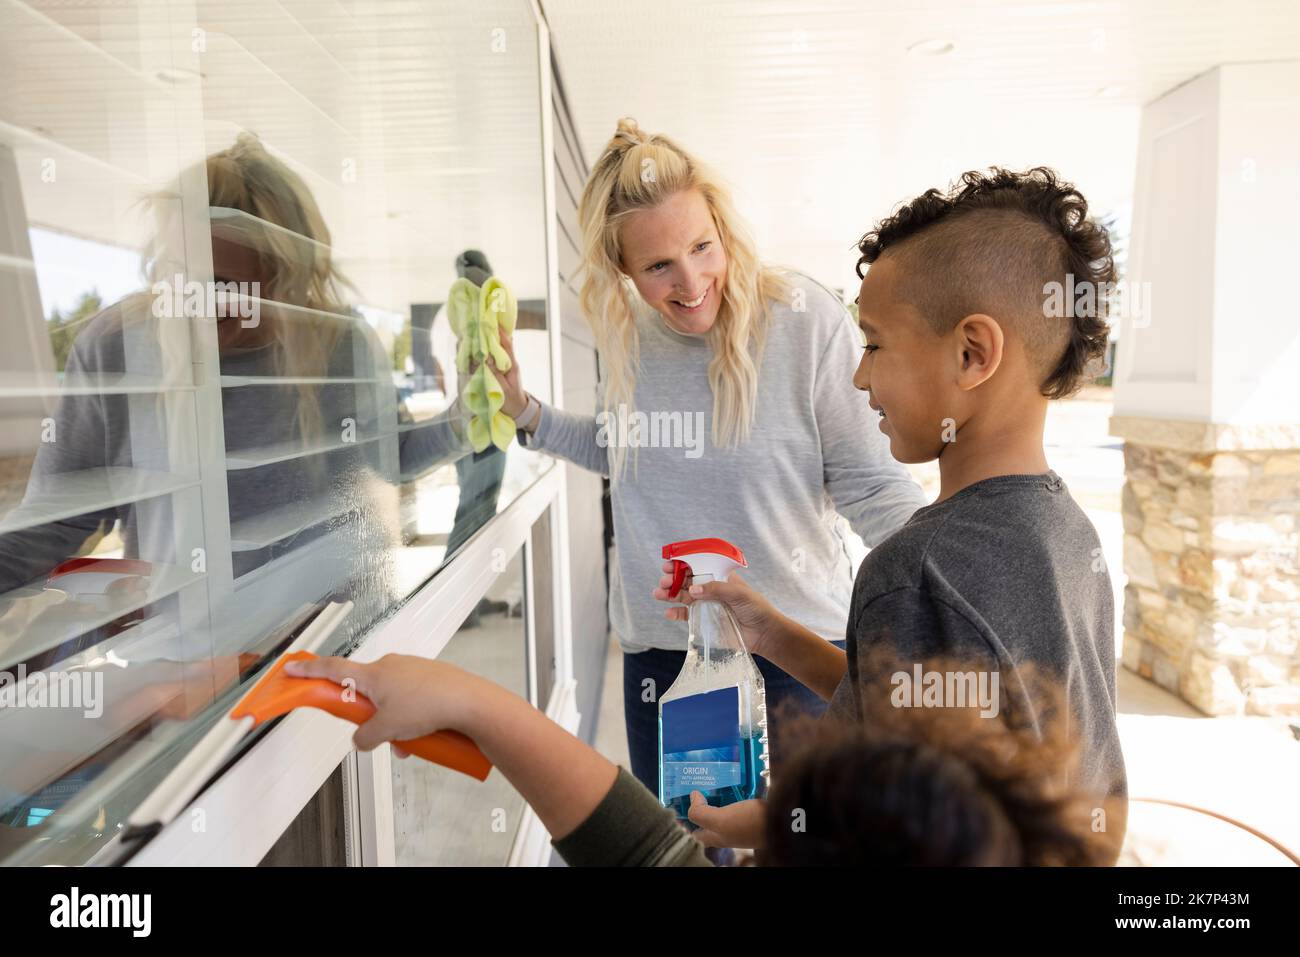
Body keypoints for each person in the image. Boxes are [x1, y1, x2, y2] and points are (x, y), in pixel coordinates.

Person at [489, 118, 925, 796]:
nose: (690, 283)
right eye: (659, 265)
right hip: (667, 653)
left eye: (701, 247)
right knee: (690, 844)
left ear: (723, 229)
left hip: (799, 647)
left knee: (807, 842)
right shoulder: (625, 332)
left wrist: (945, 577)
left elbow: (871, 483)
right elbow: (627, 451)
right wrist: (525, 411)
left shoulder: (805, 319)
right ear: (623, 270)